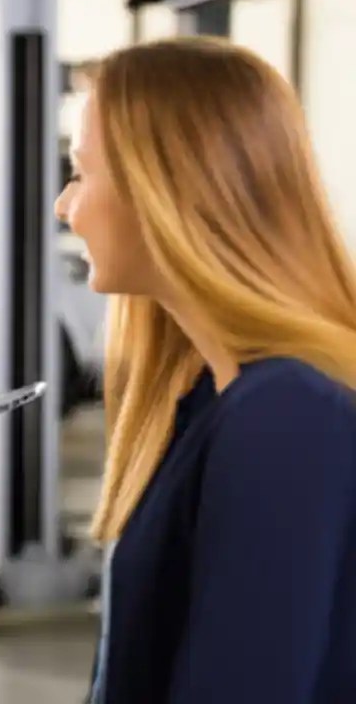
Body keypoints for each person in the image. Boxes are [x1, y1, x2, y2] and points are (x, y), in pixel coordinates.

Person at [55, 36, 356, 704]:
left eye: (80, 173)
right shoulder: (199, 400)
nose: (64, 206)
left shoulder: (286, 413)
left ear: (162, 191)